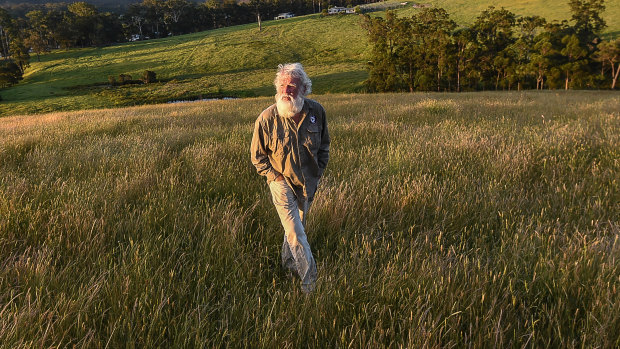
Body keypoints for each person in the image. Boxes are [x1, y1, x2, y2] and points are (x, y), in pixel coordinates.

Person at [250, 63, 330, 293]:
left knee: (297, 228)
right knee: (296, 233)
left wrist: (318, 171)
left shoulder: (317, 112)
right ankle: (310, 283)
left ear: (304, 89)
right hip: (280, 182)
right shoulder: (266, 118)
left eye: (293, 86)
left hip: (308, 183)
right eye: (283, 85)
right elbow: (257, 157)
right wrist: (274, 177)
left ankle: (287, 264)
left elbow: (324, 146)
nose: (287, 90)